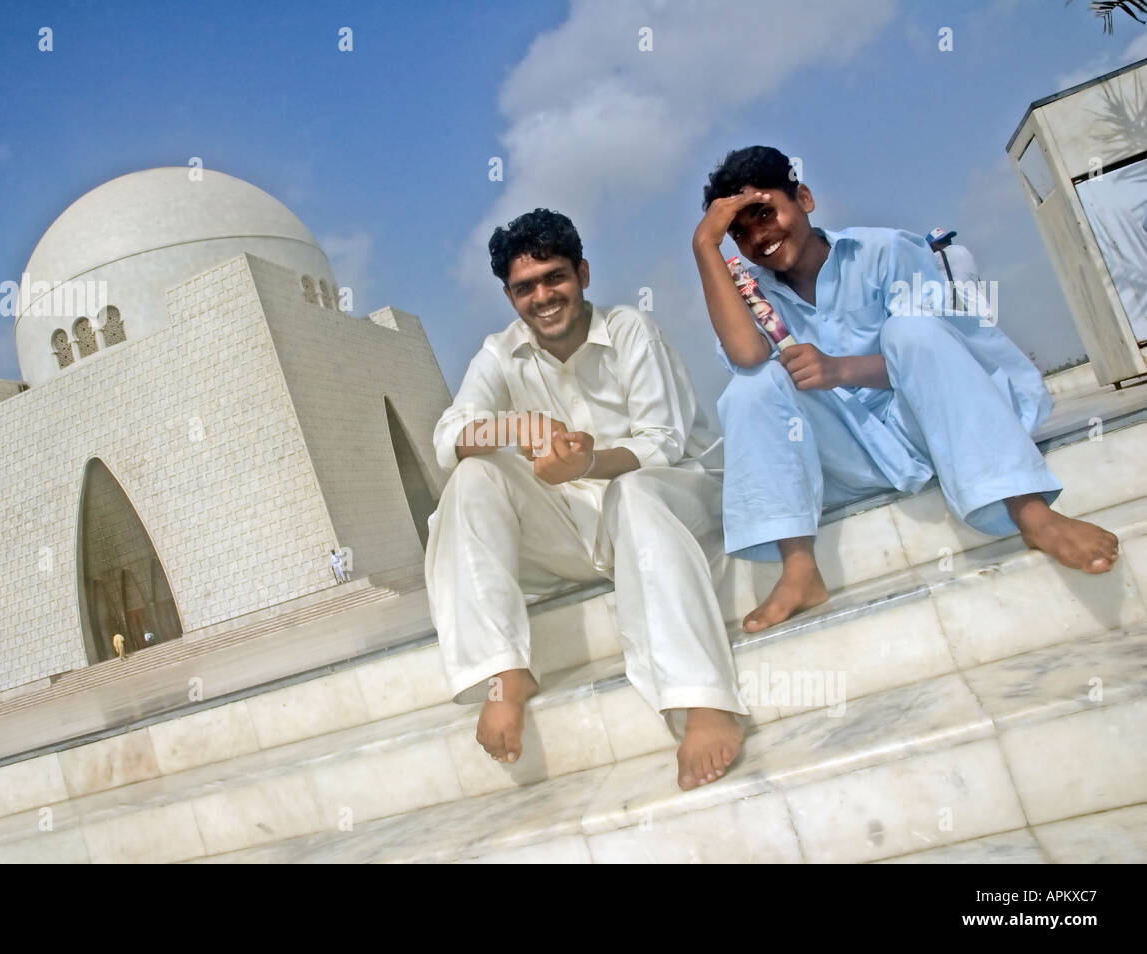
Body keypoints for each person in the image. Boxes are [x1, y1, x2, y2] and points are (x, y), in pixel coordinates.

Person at [692, 146, 1119, 634]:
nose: (758, 237)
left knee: (910, 330)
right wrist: (705, 246)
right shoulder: (753, 292)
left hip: (930, 424)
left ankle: (1031, 511)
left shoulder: (883, 250)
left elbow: (943, 346)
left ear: (804, 198)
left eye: (764, 213)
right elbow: (747, 357)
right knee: (750, 387)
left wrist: (840, 370)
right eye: (738, 233)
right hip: (856, 453)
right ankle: (799, 567)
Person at [427, 208, 746, 791]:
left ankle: (703, 702)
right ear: (509, 296)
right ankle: (504, 673)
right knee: (472, 479)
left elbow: (663, 444)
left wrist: (589, 463)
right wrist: (514, 428)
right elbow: (448, 436)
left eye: (556, 277)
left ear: (583, 274)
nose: (543, 297)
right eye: (525, 287)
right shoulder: (500, 353)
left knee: (634, 491)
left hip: (670, 507)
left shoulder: (630, 330)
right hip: (577, 532)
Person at [925, 226, 983, 316]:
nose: (948, 243)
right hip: (982, 309)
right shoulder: (965, 251)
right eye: (942, 241)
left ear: (931, 247)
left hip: (964, 314)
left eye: (947, 240)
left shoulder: (940, 256)